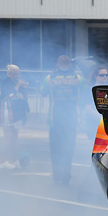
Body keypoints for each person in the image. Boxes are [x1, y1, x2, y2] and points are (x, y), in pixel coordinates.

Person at [45, 55, 83, 185]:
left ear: (57, 64)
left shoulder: (50, 78)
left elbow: (42, 91)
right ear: (70, 65)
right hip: (71, 119)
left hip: (55, 119)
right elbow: (85, 93)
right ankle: (66, 176)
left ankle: (57, 176)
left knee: (55, 149)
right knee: (68, 149)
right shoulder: (78, 78)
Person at [0, 64, 29, 170]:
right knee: (8, 135)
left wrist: (25, 88)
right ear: (9, 74)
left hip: (16, 112)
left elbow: (24, 97)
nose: (17, 76)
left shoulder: (17, 83)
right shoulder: (6, 82)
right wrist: (18, 85)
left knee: (14, 136)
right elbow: (10, 94)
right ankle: (3, 161)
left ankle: (14, 159)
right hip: (6, 110)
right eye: (15, 74)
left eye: (18, 74)